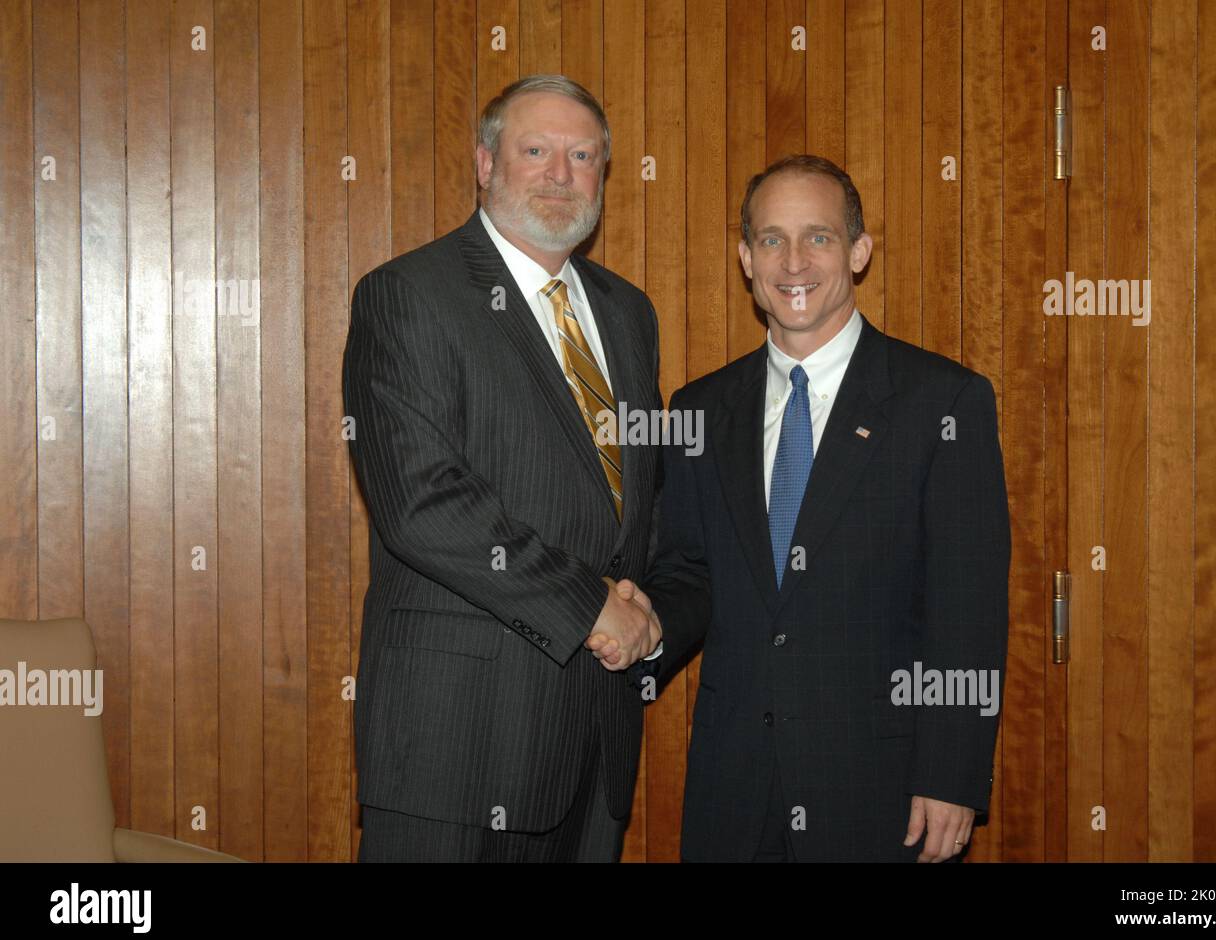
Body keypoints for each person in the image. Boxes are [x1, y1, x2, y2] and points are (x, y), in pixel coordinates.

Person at [611, 154, 1011, 862]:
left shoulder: (942, 402)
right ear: (745, 258)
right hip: (732, 789)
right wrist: (643, 626)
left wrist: (952, 774)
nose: (793, 261)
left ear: (858, 252)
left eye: (818, 237)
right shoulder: (700, 409)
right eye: (771, 239)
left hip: (881, 790)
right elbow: (689, 571)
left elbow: (967, 605)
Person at [343, 74, 663, 862]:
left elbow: (636, 507)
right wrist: (590, 605)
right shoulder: (408, 295)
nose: (561, 173)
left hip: (592, 740)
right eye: (536, 150)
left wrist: (653, 614)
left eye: (583, 154)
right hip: (457, 741)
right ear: (485, 163)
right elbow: (422, 502)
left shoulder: (627, 313)